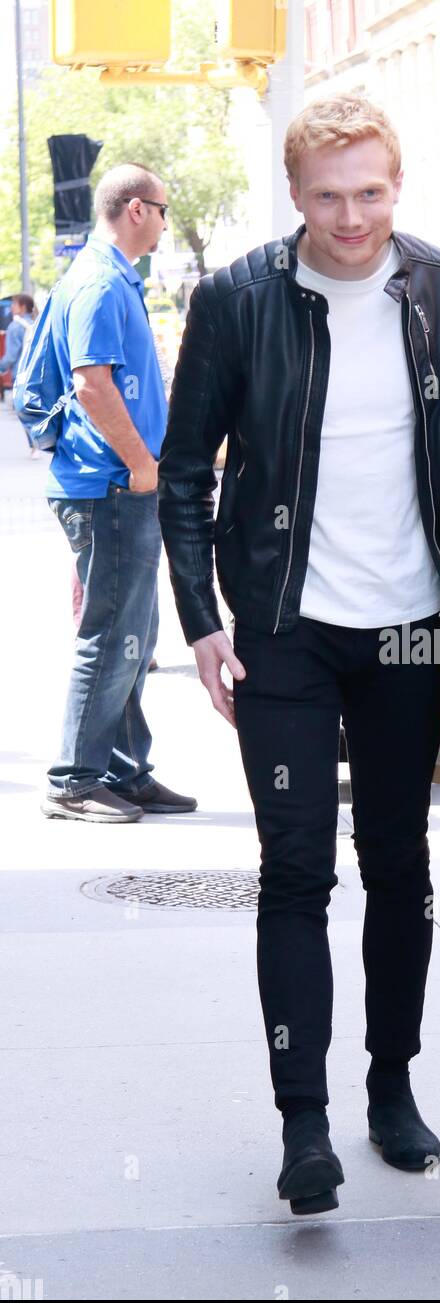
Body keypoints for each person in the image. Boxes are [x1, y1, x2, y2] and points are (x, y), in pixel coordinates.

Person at [158, 94, 440, 1215]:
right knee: (294, 869)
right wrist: (202, 619)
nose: (351, 217)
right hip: (283, 629)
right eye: (328, 195)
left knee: (399, 867)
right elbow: (185, 472)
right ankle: (303, 1119)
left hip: (409, 627)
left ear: (397, 184)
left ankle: (390, 1085)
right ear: (295, 193)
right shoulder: (237, 299)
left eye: (371, 191)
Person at [41, 163, 195, 824]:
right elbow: (91, 384)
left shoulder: (108, 277)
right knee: (110, 632)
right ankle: (75, 781)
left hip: (112, 482)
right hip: (111, 483)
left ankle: (124, 770)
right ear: (136, 209)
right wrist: (140, 462)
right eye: (162, 208)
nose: (165, 220)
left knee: (134, 630)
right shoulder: (102, 281)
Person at [0, 293, 38, 454]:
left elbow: (12, 354)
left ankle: (34, 443)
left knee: (23, 410)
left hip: (20, 373)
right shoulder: (36, 323)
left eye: (14, 304)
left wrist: (1, 367)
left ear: (22, 307)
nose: (11, 307)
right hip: (36, 371)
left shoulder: (15, 326)